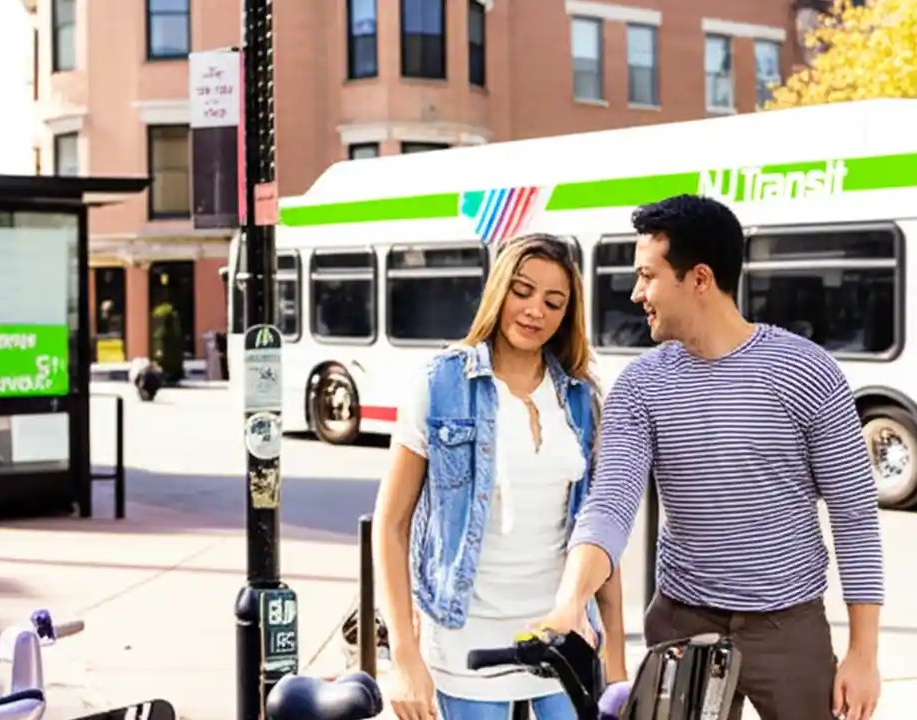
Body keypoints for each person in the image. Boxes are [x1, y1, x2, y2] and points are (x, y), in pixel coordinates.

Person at [534, 195, 886, 720]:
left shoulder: (808, 374)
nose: (636, 294)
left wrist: (863, 654)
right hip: (681, 623)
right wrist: (570, 599)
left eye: (648, 276)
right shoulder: (640, 386)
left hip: (788, 629)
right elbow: (610, 505)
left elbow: (855, 516)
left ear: (699, 279)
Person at [372, 234, 627, 720]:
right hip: (468, 638)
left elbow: (598, 530)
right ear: (499, 291)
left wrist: (615, 663)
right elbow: (390, 525)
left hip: (563, 632)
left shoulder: (580, 397)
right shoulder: (438, 384)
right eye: (523, 291)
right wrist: (403, 654)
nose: (536, 311)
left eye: (554, 302)